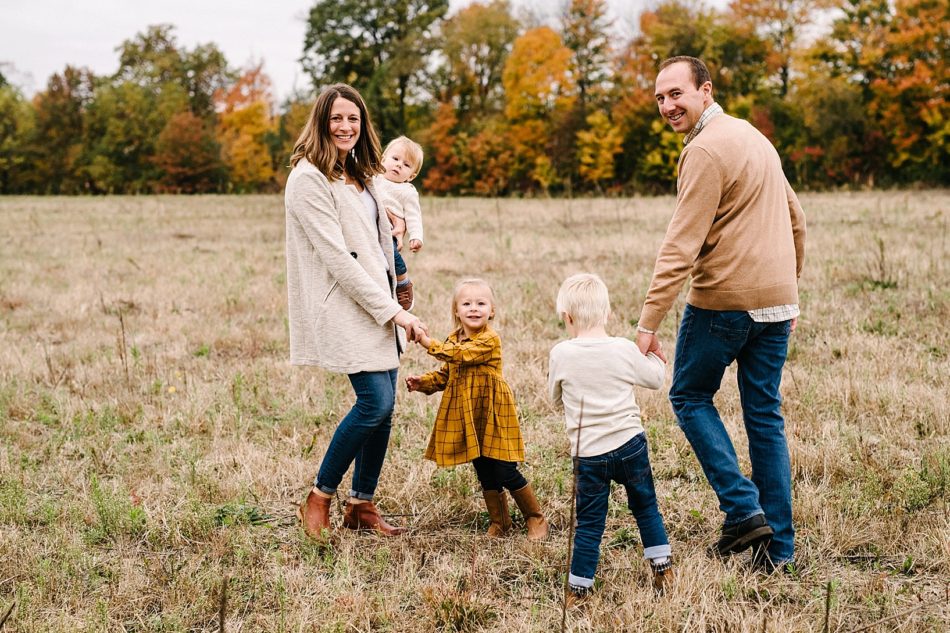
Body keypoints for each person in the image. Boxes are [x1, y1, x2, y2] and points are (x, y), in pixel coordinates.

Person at [636, 56, 806, 571]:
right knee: (764, 417)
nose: (667, 105)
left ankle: (742, 508)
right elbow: (797, 219)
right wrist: (789, 290)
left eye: (676, 94)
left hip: (725, 303)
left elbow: (679, 246)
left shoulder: (705, 150)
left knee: (688, 396)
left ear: (705, 90)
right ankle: (779, 552)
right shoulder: (754, 137)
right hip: (776, 303)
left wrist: (648, 322)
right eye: (660, 98)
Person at [285, 83, 427, 540]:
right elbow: (337, 258)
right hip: (347, 305)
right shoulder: (309, 178)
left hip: (379, 301)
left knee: (385, 411)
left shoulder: (361, 173)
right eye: (336, 118)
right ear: (321, 122)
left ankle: (361, 504)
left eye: (353, 118)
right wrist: (395, 313)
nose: (345, 127)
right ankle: (320, 495)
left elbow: (375, 240)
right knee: (375, 403)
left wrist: (400, 279)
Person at [548, 273, 672, 597]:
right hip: (631, 444)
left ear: (567, 317)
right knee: (646, 507)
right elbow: (656, 380)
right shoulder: (623, 349)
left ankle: (578, 591)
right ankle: (663, 569)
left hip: (589, 454)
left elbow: (554, 396)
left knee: (589, 525)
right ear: (608, 314)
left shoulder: (561, 353)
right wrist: (656, 355)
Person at [405, 278, 548, 540]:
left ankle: (535, 517)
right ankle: (500, 521)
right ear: (456, 311)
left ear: (491, 310)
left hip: (492, 411)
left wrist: (427, 342)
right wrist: (423, 382)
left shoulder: (489, 339)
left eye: (481, 303)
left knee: (504, 468)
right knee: (482, 467)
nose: (474, 308)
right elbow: (447, 374)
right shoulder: (453, 340)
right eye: (467, 303)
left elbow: (459, 355)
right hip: (470, 414)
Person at [376, 136, 426, 311]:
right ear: (383, 160)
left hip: (389, 233)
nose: (398, 165)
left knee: (391, 256)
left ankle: (403, 282)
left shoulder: (407, 191)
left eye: (406, 165)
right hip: (367, 228)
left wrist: (416, 236)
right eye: (395, 159)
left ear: (411, 176)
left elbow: (414, 216)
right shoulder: (373, 178)